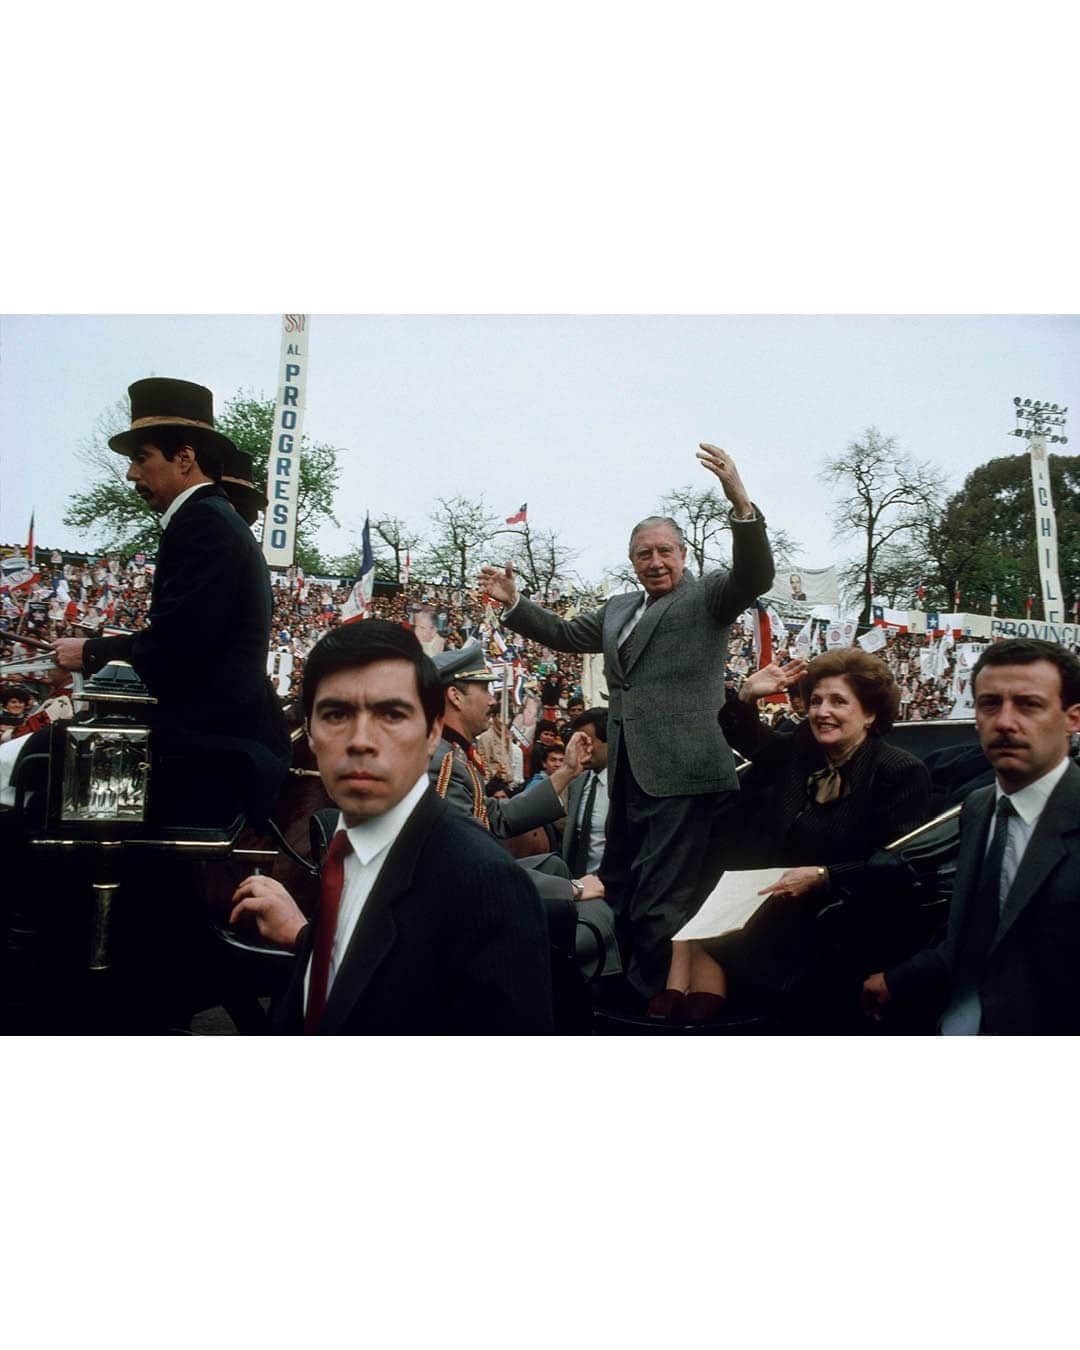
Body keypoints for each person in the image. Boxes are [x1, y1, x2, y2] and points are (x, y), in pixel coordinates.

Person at [479, 443, 774, 1002]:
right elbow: (565, 636)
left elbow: (754, 574)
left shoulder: (709, 597)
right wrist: (515, 603)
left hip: (685, 776)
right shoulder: (618, 609)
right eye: (643, 554)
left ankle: (649, 1007)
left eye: (665, 551)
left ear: (684, 556)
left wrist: (739, 499)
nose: (655, 562)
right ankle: (636, 985)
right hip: (630, 774)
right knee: (625, 886)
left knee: (663, 898)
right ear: (632, 560)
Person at [228, 620, 553, 1033]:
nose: (361, 739)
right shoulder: (341, 851)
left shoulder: (486, 882)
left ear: (433, 731)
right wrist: (306, 940)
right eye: (336, 713)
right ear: (308, 731)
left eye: (391, 714)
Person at [49, 378, 290, 821]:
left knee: (39, 762)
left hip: (209, 739)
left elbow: (180, 646)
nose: (131, 474)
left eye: (141, 458)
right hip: (219, 730)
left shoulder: (203, 524)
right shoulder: (207, 520)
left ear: (184, 458)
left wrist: (89, 652)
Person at [655, 648, 932, 1024]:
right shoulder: (804, 751)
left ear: (870, 713)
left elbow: (898, 866)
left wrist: (823, 876)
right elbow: (754, 741)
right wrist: (747, 696)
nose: (822, 712)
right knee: (699, 929)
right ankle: (686, 1019)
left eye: (838, 701)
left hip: (839, 919)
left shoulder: (898, 770)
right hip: (778, 902)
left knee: (718, 951)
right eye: (816, 700)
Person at [863, 639, 1080, 1034]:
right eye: (990, 704)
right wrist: (900, 978)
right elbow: (972, 934)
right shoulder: (979, 808)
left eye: (1029, 704)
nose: (1005, 722)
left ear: (1073, 719)